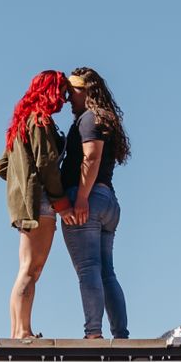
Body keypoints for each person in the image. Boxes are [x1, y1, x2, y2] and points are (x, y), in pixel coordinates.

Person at [0, 70, 72, 339]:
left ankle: (18, 330)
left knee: (28, 267)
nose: (64, 97)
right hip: (42, 201)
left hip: (26, 202)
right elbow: (46, 164)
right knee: (32, 268)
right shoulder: (40, 121)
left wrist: (21, 182)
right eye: (62, 90)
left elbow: (2, 166)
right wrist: (61, 202)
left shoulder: (19, 124)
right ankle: (22, 331)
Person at [58, 65, 131, 339]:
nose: (67, 98)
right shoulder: (104, 119)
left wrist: (81, 198)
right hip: (108, 201)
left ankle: (93, 334)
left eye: (71, 91)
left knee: (89, 269)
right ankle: (120, 335)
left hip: (89, 200)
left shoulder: (88, 119)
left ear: (86, 90)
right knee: (107, 272)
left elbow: (91, 157)